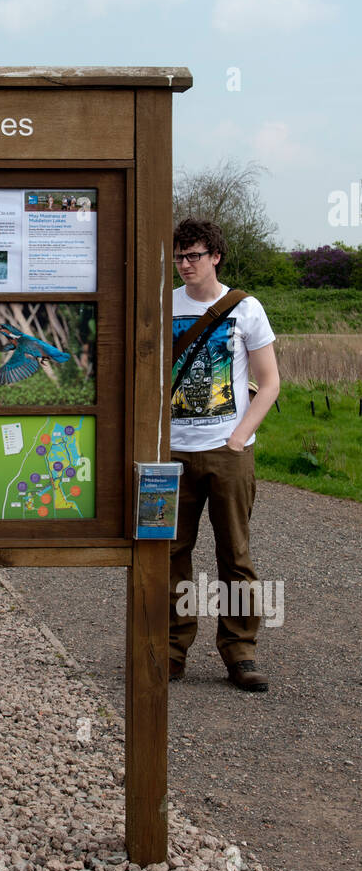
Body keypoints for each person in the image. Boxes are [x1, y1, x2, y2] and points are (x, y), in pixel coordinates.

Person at [169, 219, 280, 692]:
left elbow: (269, 381)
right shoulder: (161, 303)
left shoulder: (246, 308)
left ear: (215, 255)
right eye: (178, 257)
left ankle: (240, 654)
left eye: (193, 255)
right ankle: (170, 652)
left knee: (235, 554)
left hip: (227, 451)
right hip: (170, 452)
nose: (185, 264)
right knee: (170, 554)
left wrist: (238, 439)